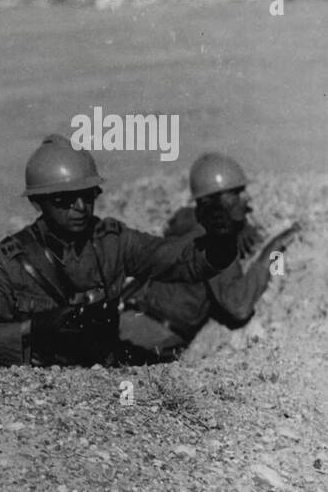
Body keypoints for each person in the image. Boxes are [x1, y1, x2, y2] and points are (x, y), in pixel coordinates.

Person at [0, 137, 241, 369]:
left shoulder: (112, 242)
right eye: (64, 199)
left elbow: (180, 261)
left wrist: (222, 240)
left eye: (87, 195)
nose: (80, 207)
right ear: (38, 203)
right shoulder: (7, 263)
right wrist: (34, 328)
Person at [119, 153, 300, 362]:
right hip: (152, 335)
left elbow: (184, 219)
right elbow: (239, 306)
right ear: (217, 200)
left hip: (131, 321)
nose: (247, 199)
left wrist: (239, 226)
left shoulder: (189, 223)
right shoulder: (213, 241)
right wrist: (274, 251)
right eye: (237, 192)